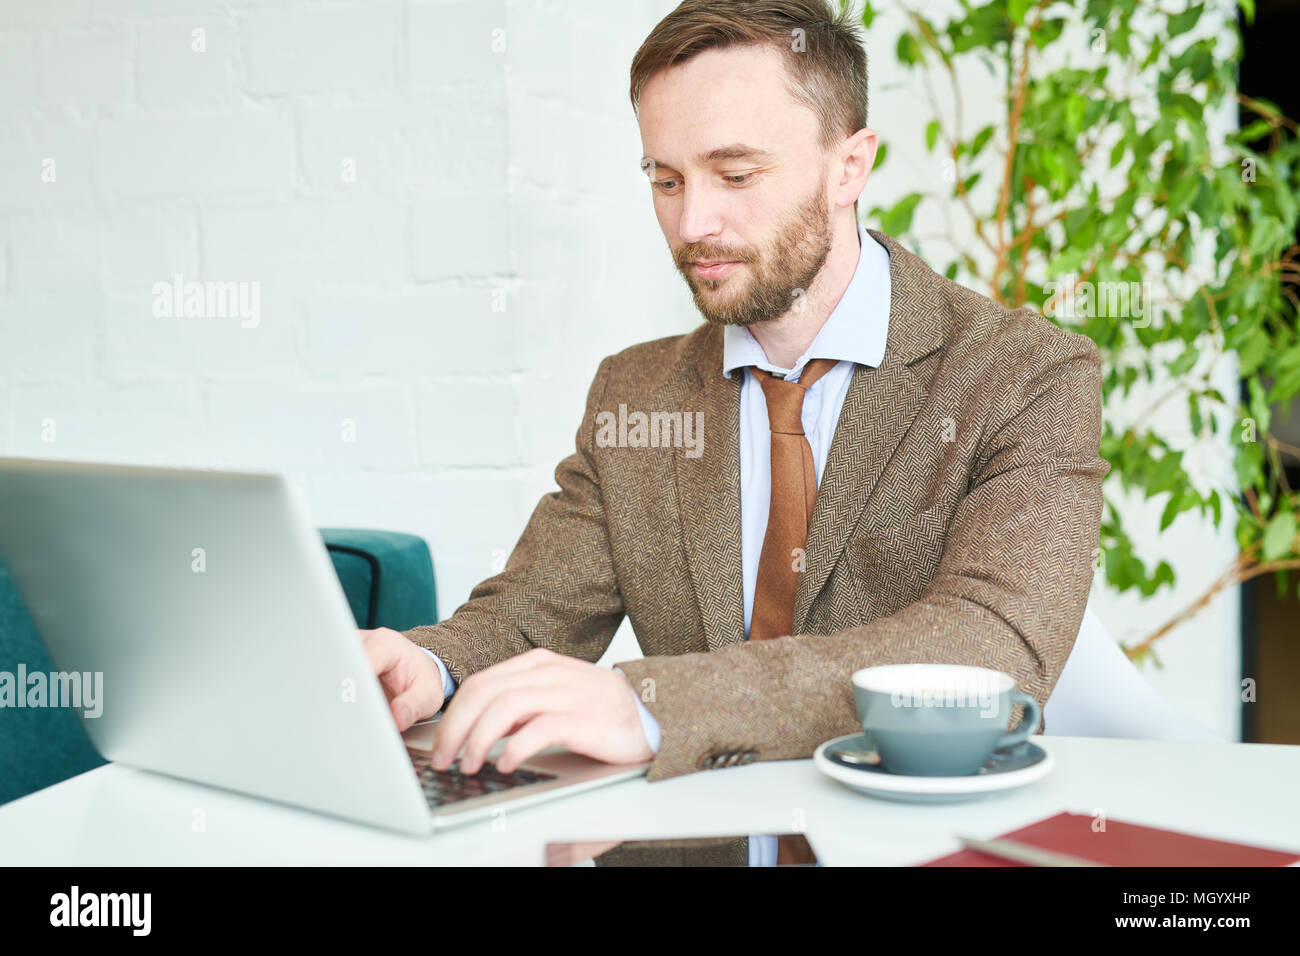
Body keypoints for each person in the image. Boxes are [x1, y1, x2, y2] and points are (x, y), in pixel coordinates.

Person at [360, 0, 1108, 808]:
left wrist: (652, 705)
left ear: (849, 167)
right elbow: (536, 613)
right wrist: (428, 663)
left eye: (737, 175)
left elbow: (992, 645)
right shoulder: (634, 392)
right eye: (667, 180)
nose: (693, 223)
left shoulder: (1026, 374)